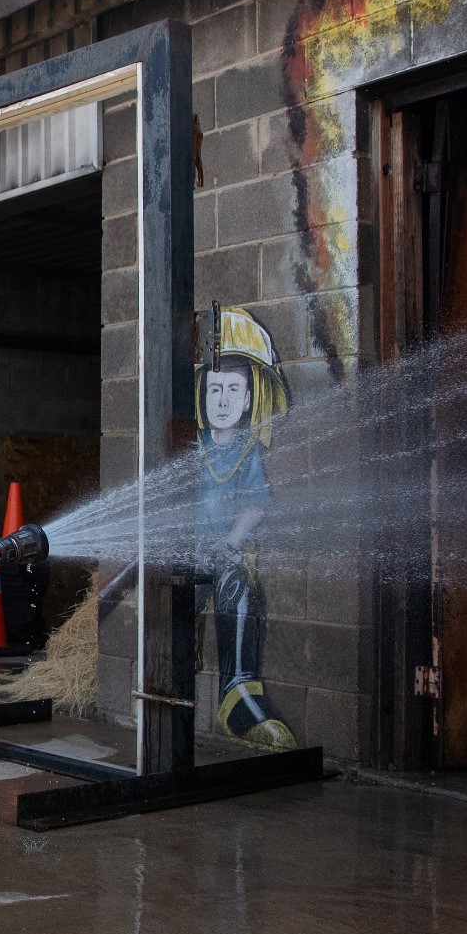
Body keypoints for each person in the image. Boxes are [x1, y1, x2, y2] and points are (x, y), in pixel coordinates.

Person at [196, 305, 295, 749]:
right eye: (214, 388)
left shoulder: (248, 451)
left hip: (230, 553)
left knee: (237, 587)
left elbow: (255, 505)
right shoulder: (194, 449)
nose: (222, 400)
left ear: (252, 397)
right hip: (193, 552)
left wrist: (230, 544)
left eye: (233, 389)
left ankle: (237, 693)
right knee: (178, 594)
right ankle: (170, 681)